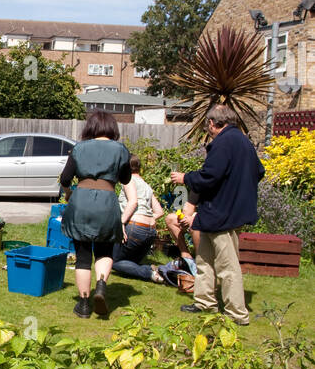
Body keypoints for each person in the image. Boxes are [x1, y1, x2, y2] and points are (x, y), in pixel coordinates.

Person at [169, 104, 265, 326]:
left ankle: (237, 314)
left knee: (227, 265)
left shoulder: (223, 143)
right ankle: (205, 302)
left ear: (212, 123)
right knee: (204, 258)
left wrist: (186, 178)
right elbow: (259, 171)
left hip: (224, 213)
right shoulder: (244, 142)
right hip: (220, 211)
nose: (208, 130)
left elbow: (209, 177)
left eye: (208, 126)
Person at [59, 111, 132, 318]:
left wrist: (68, 193)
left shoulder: (79, 148)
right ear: (112, 128)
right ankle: (101, 284)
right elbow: (126, 179)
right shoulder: (120, 149)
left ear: (90, 127)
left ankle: (83, 304)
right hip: (107, 203)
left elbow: (65, 178)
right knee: (105, 250)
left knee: (82, 256)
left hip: (80, 202)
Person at [111, 155, 164, 284]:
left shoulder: (128, 180)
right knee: (131, 263)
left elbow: (133, 203)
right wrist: (147, 221)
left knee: (113, 261)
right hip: (150, 230)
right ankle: (154, 269)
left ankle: (149, 273)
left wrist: (122, 222)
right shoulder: (146, 186)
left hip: (135, 227)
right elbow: (160, 212)